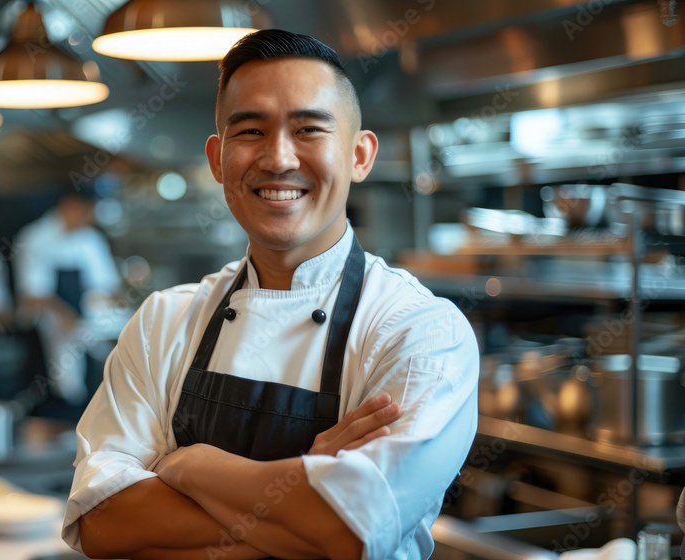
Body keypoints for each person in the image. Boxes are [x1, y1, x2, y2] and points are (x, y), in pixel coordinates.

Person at [63, 29, 479, 560]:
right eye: (251, 131)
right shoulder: (163, 320)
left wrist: (187, 465)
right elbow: (101, 524)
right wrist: (304, 475)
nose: (279, 158)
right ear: (217, 160)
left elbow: (347, 532)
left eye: (308, 129)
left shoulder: (418, 331)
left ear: (359, 155)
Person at [14, 188, 121, 407]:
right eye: (86, 212)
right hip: (44, 341)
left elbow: (108, 286)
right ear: (69, 205)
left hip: (90, 335)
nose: (89, 218)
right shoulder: (35, 238)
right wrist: (64, 315)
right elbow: (32, 295)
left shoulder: (92, 240)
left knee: (93, 399)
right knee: (54, 406)